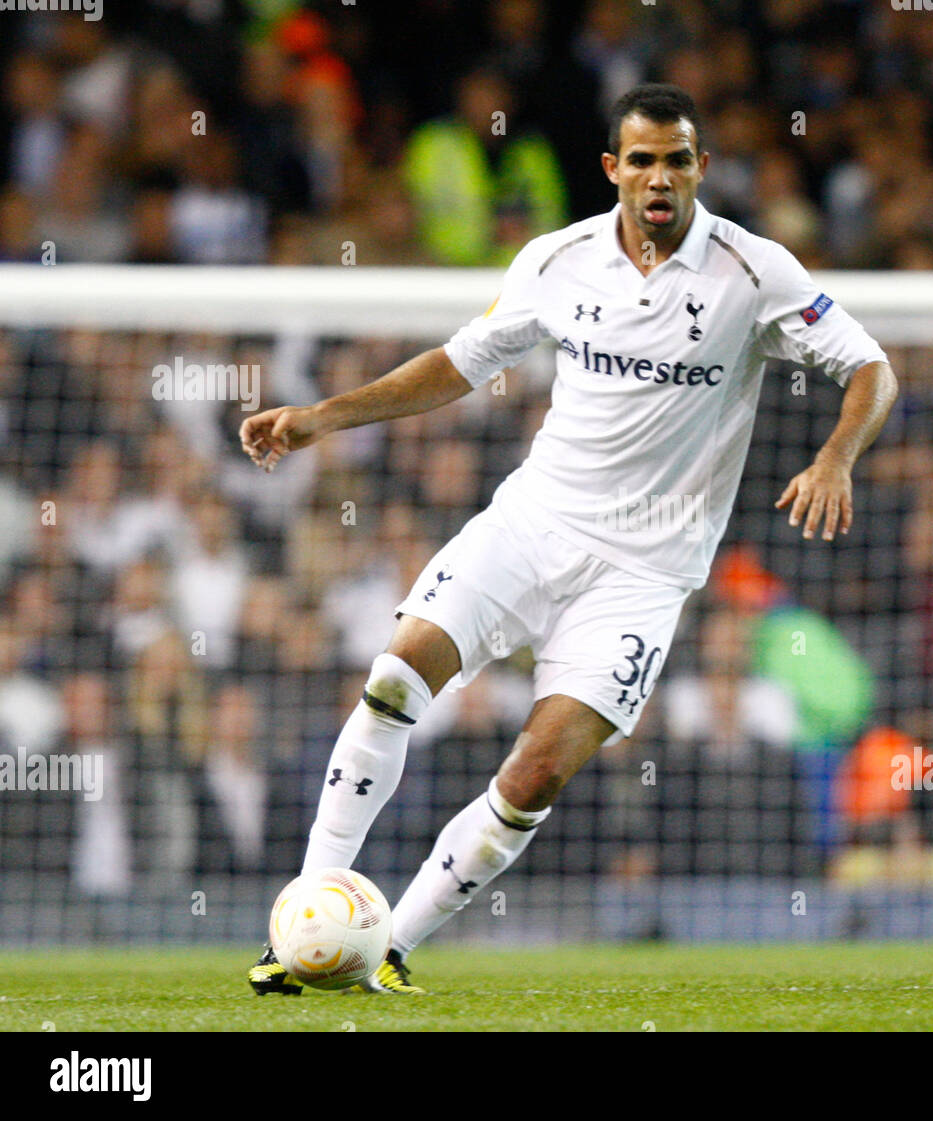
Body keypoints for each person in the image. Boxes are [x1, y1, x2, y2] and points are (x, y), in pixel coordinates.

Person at [238, 84, 897, 994]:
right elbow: (459, 364)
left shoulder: (755, 272)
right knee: (394, 677)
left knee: (537, 771)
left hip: (646, 570)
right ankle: (305, 915)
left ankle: (390, 946)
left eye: (676, 160)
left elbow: (871, 366)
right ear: (612, 170)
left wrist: (834, 459)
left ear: (701, 168)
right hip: (533, 521)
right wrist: (323, 417)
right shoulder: (559, 259)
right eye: (641, 160)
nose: (658, 178)